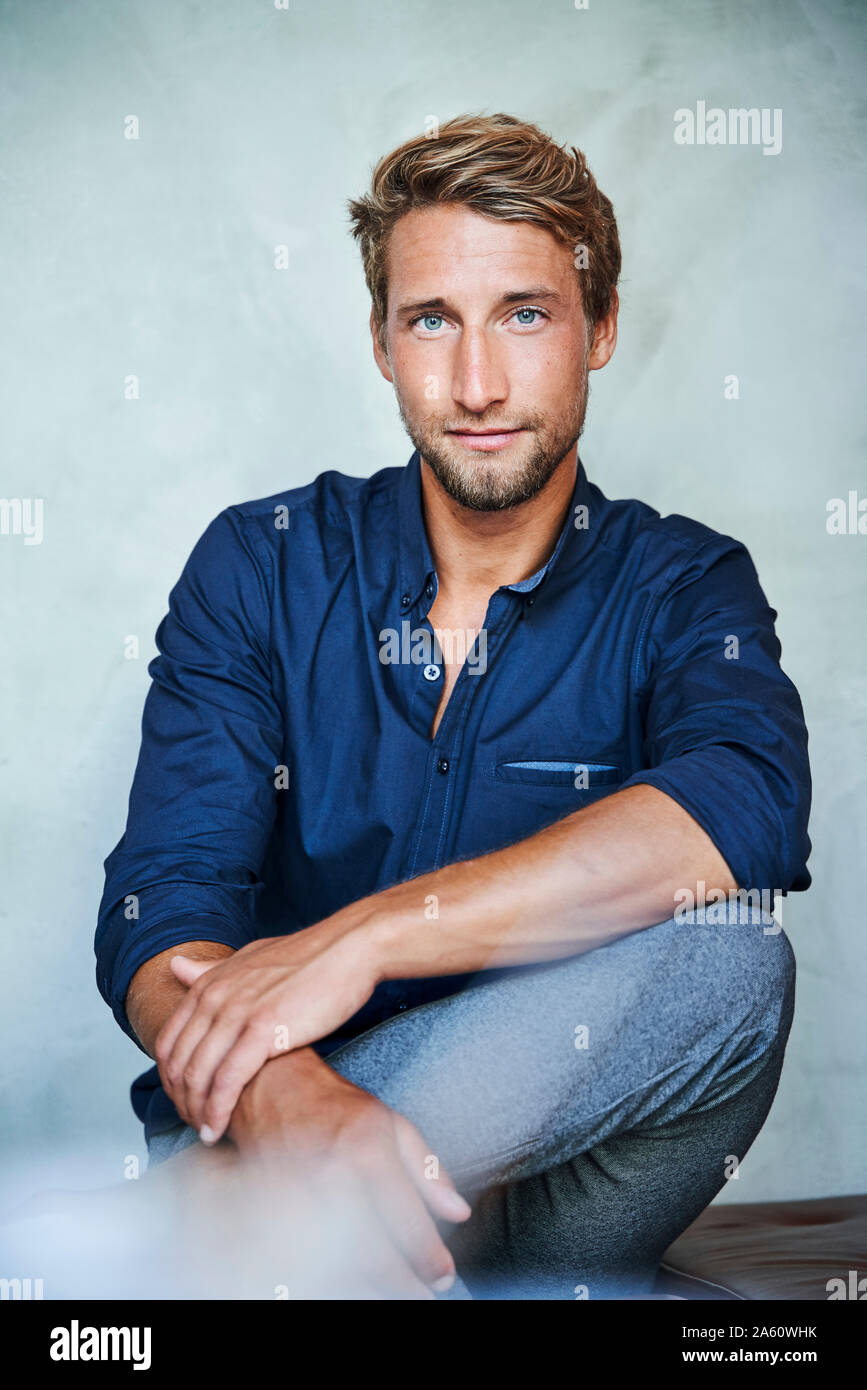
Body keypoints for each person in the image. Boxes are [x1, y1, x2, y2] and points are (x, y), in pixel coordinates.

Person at [95, 113, 811, 1300]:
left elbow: (740, 809)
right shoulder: (261, 563)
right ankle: (287, 1213)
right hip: (277, 1146)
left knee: (734, 964)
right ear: (382, 341)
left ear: (602, 328)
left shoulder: (687, 584)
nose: (477, 383)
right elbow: (158, 915)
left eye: (525, 314)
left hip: (554, 1189)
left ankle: (232, 1233)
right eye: (432, 320)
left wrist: (364, 939)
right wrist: (292, 1098)